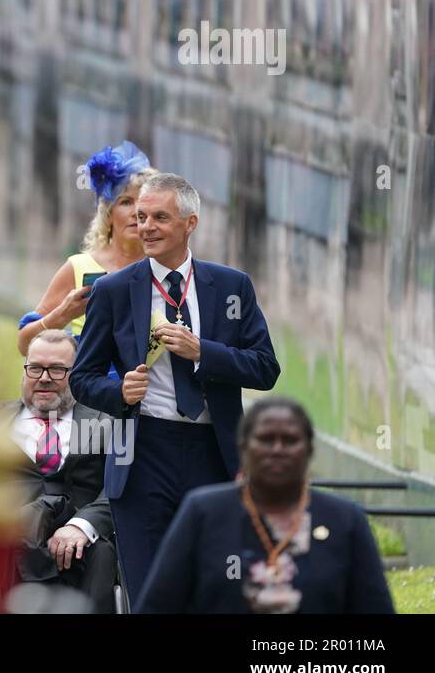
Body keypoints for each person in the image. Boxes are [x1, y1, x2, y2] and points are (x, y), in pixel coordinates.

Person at [70, 172, 281, 605]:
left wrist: (203, 351)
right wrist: (120, 391)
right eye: (141, 216)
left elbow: (265, 369)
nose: (145, 226)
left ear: (190, 223)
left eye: (160, 217)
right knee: (150, 594)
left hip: (213, 454)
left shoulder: (230, 287)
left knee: (214, 591)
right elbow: (82, 378)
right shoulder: (112, 291)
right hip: (142, 454)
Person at [138, 397, 394, 614]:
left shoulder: (345, 520)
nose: (278, 449)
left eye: (290, 440)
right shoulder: (203, 513)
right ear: (243, 447)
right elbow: (158, 605)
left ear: (309, 450)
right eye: (266, 439)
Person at [0, 329, 118, 613]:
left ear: (77, 374)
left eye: (57, 369)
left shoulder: (110, 421)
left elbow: (124, 486)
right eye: (36, 368)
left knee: (102, 553)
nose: (43, 377)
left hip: (81, 553)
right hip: (4, 554)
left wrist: (83, 525)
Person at [17, 141, 155, 355]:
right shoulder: (79, 268)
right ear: (108, 214)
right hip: (88, 385)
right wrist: (62, 315)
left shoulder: (168, 267)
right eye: (126, 202)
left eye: (144, 203)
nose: (136, 212)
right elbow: (25, 344)